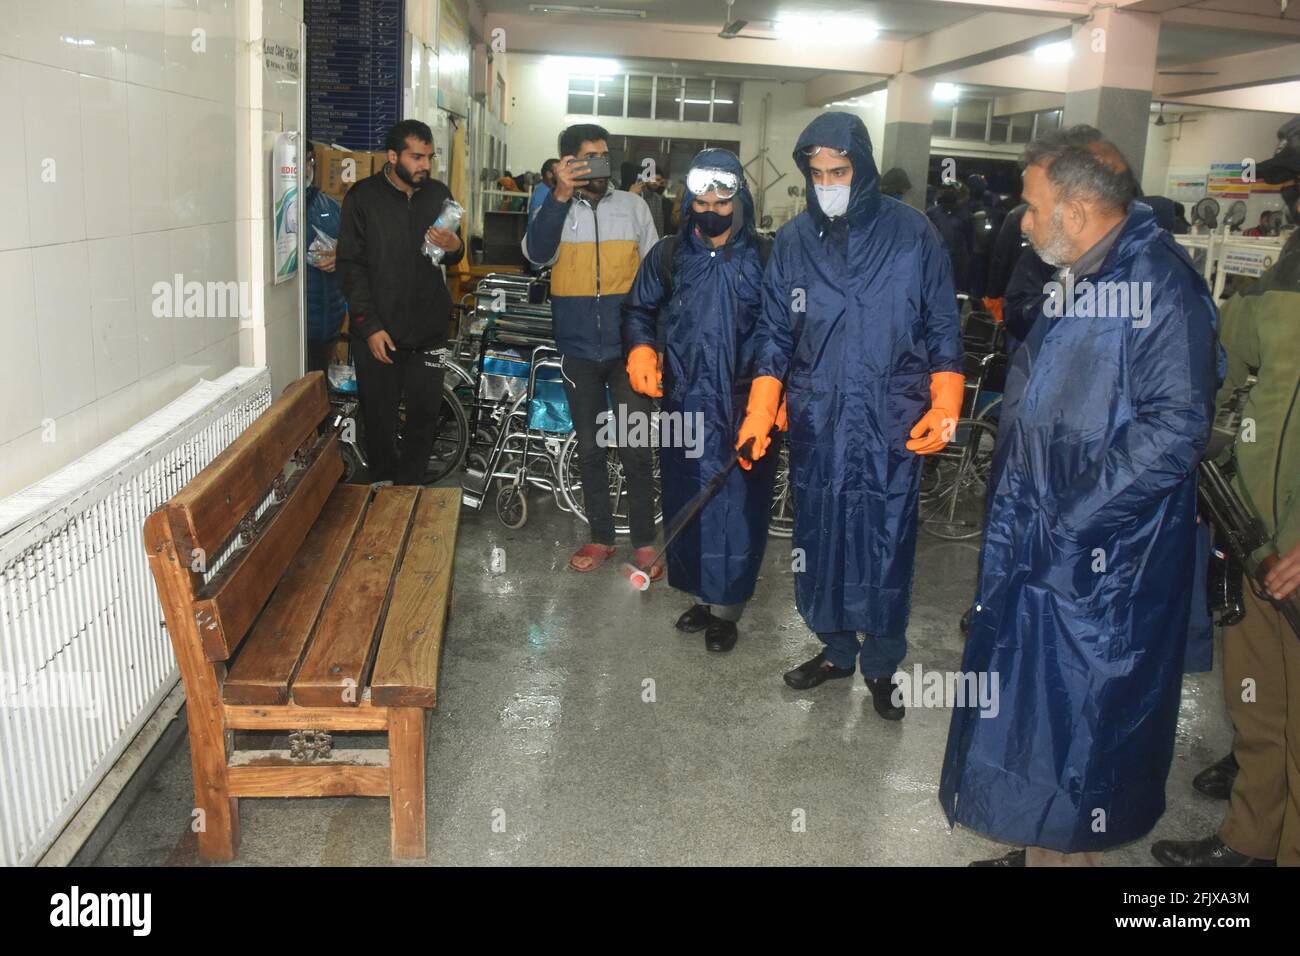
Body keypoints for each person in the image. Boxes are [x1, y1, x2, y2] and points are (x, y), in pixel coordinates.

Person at [938, 126, 1219, 867]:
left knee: (1083, 722)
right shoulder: (1092, 273)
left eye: (1031, 209)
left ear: (1075, 208)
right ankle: (1042, 842)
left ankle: (1068, 850)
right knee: (1036, 708)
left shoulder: (1159, 284)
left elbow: (1175, 426)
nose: (1022, 224)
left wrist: (1068, 521)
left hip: (1100, 557)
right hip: (1046, 537)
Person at [738, 111, 964, 719]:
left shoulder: (912, 234)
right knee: (821, 537)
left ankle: (883, 664)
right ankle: (836, 649)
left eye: (839, 170)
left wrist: (945, 402)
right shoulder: (792, 243)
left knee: (887, 541)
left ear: (861, 167)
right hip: (820, 417)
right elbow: (773, 336)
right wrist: (762, 409)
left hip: (893, 415)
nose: (827, 182)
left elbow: (943, 323)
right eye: (816, 173)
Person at [1152, 115, 1300, 868]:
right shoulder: (1285, 277)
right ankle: (1248, 843)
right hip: (1256, 539)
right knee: (1260, 713)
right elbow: (1230, 361)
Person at [621, 149, 778, 653]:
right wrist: (642, 348)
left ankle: (726, 609)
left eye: (723, 193)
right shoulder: (669, 255)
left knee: (736, 511)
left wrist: (778, 398)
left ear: (740, 197)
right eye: (702, 193)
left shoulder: (767, 257)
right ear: (690, 196)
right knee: (687, 500)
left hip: (743, 407)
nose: (712, 203)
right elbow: (639, 309)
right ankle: (699, 595)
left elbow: (790, 332)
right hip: (684, 405)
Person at [522, 123, 660, 574]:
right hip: (577, 348)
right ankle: (600, 537)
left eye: (605, 154)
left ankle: (644, 541)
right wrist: (559, 197)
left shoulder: (634, 207)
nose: (600, 164)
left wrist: (654, 341)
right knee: (590, 448)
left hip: (628, 349)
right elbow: (537, 255)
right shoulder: (552, 207)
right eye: (589, 157)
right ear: (568, 164)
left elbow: (656, 274)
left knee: (636, 446)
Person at [336, 119, 463, 486]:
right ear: (392, 157)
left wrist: (456, 247)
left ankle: (412, 491)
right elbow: (351, 267)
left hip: (429, 331)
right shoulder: (363, 198)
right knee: (380, 417)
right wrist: (369, 327)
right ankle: (381, 487)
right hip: (378, 333)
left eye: (429, 157)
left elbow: (450, 254)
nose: (425, 165)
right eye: (417, 157)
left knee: (425, 416)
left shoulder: (438, 193)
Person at [303, 142, 347, 374]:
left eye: (310, 160)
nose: (307, 167)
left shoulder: (330, 206)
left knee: (318, 391)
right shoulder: (278, 209)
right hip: (298, 327)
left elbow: (355, 252)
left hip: (329, 322)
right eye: (300, 160)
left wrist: (341, 255)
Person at [928, 185, 973, 296]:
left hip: (949, 259)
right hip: (951, 260)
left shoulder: (933, 213)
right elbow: (970, 240)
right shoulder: (964, 214)